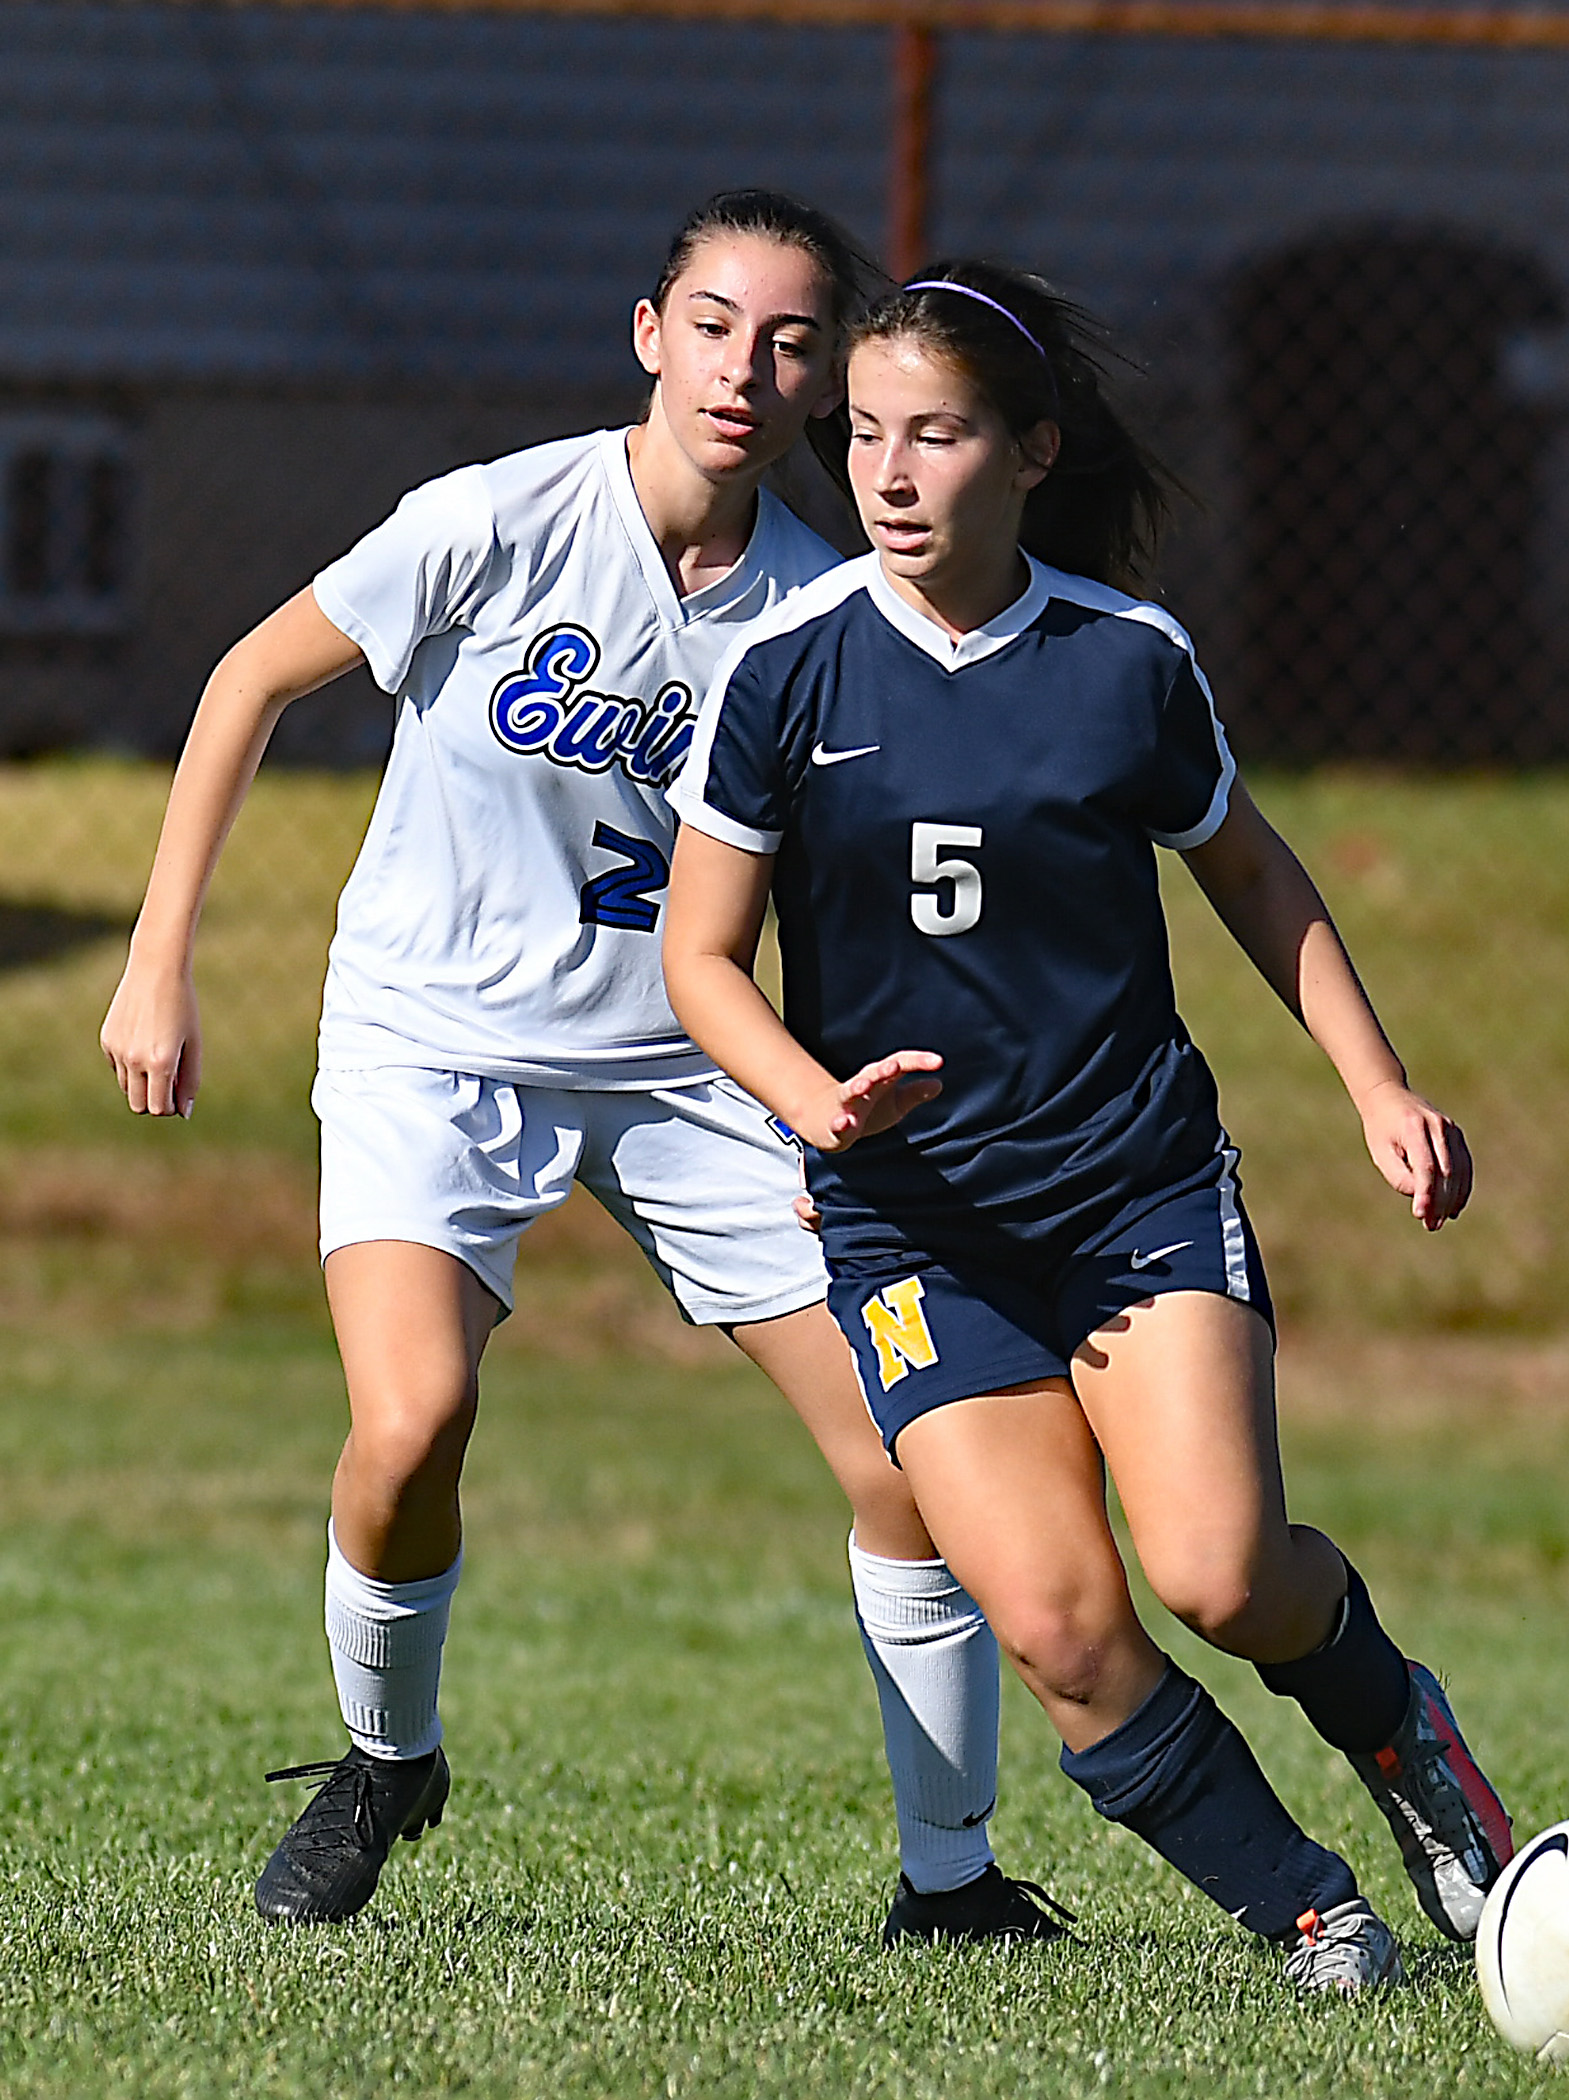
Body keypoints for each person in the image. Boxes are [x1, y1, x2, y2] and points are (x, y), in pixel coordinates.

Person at [99, 194, 1069, 1948]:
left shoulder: (825, 608)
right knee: (411, 1427)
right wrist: (158, 961)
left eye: (787, 341)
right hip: (432, 1036)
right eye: (713, 325)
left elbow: (875, 867)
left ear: (820, 379)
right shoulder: (500, 519)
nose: (743, 368)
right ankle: (385, 1759)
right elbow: (247, 681)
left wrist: (851, 1084)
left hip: (690, 1064)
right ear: (649, 333)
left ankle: (952, 1882)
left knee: (902, 1460)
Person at [662, 260, 1515, 1994]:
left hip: (1130, 1189)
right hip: (914, 1231)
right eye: (869, 436)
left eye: (942, 436)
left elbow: (1256, 875)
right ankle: (1313, 1913)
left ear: (1033, 450)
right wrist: (810, 1099)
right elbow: (698, 955)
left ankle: (1401, 1731)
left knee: (1217, 1576)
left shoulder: (1125, 663)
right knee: (1057, 1628)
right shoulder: (784, 671)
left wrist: (1378, 1086)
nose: (892, 474)